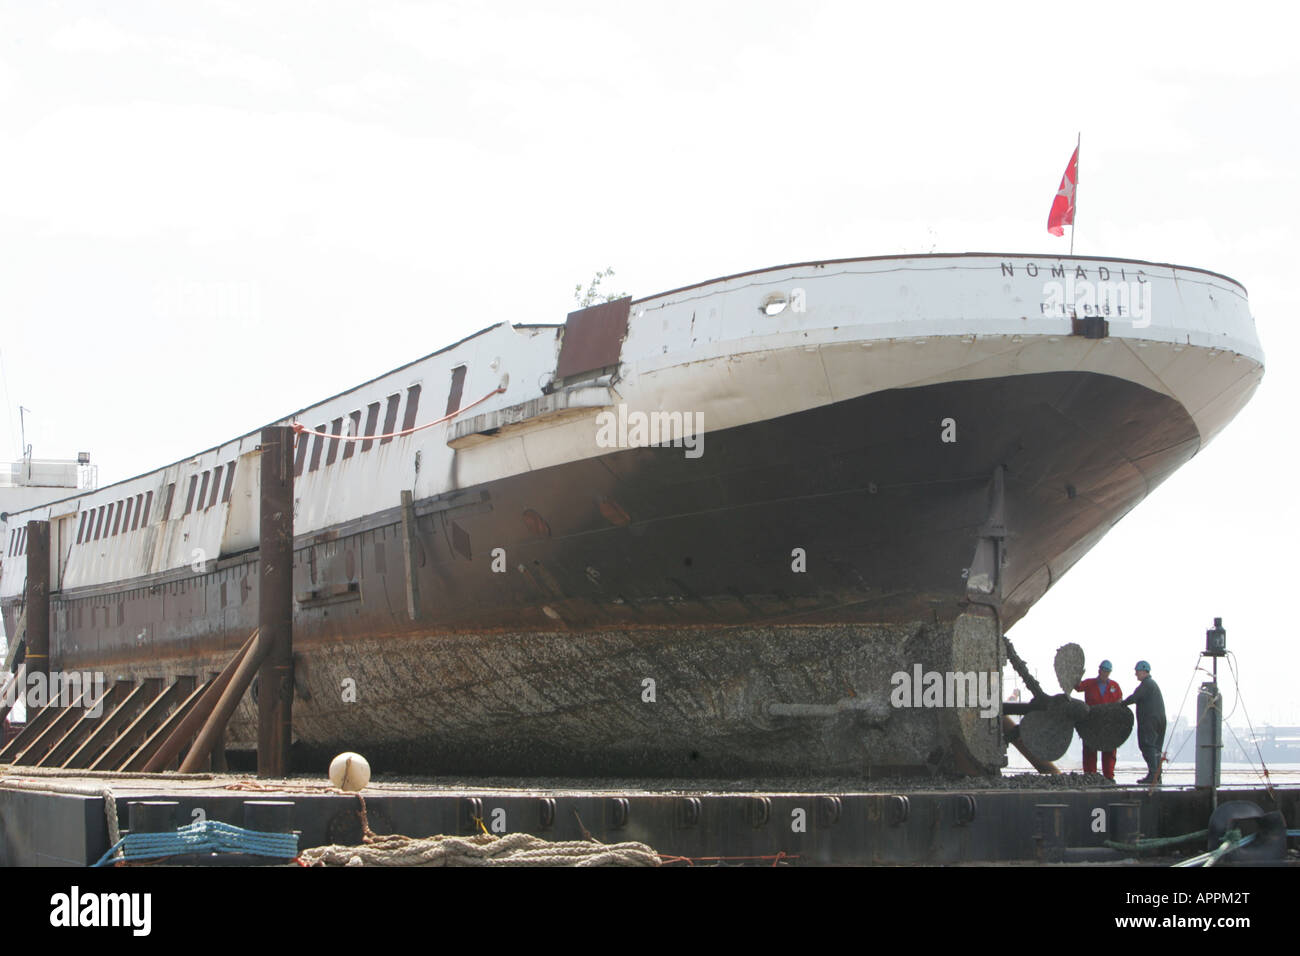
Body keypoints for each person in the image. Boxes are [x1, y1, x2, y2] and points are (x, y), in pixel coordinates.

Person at [1075, 659, 1122, 778]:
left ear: (1110, 673)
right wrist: (1077, 675)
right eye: (1103, 671)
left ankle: (1109, 776)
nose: (1105, 674)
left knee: (1109, 750)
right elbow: (1077, 687)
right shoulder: (1090, 683)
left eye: (1107, 672)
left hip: (1108, 724)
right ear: (1099, 670)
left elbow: (1119, 702)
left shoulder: (1114, 686)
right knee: (1090, 750)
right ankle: (1090, 776)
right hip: (1091, 723)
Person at [1123, 660, 1166, 784]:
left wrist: (1122, 704)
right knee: (1157, 748)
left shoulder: (1146, 684)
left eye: (1137, 672)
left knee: (1147, 746)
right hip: (1160, 720)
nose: (1136, 674)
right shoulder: (1152, 685)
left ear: (1143, 671)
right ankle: (1157, 776)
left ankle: (1153, 775)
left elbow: (1135, 697)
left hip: (1149, 720)